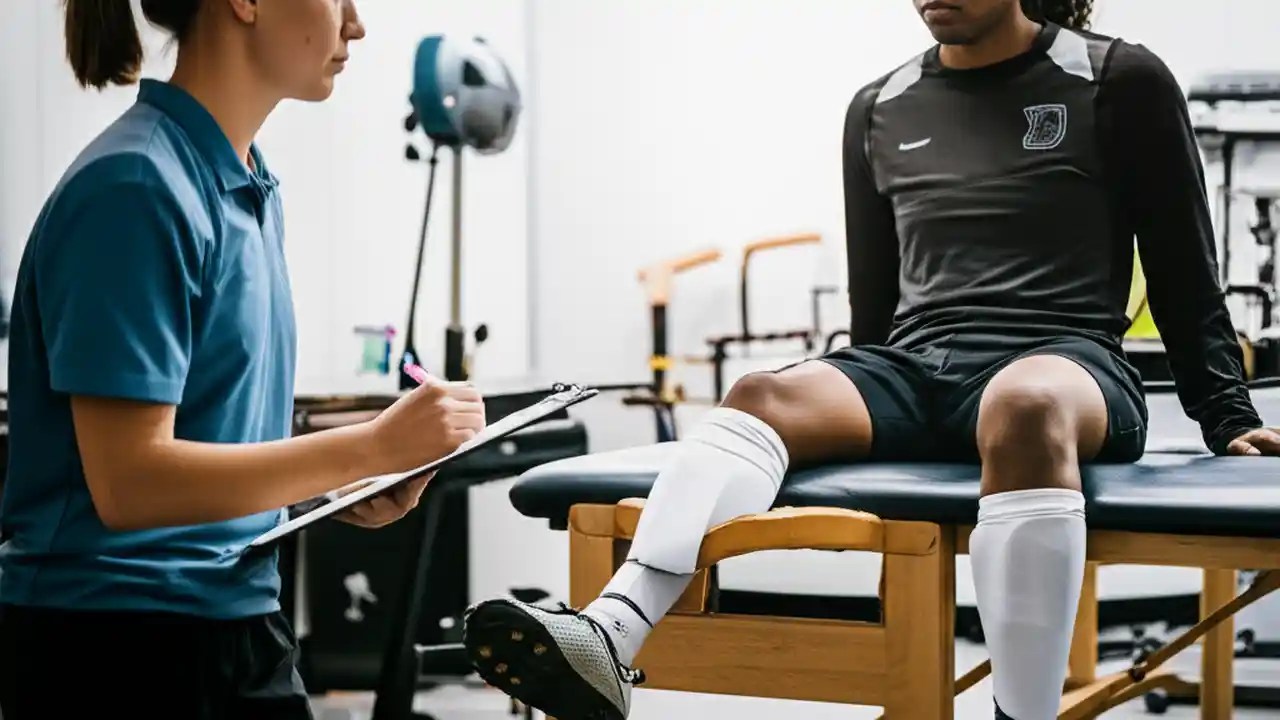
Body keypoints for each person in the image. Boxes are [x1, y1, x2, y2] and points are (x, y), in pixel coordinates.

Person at [462, 0, 1280, 718]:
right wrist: (851, 396)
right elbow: (875, 306)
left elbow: (1182, 265)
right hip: (918, 365)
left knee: (1020, 405)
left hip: (1064, 364)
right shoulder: (879, 107)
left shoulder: (1117, 78)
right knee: (759, 394)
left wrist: (1228, 415)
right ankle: (610, 631)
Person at [0, 1, 486, 718]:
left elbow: (211, 441)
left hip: (229, 621)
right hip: (118, 645)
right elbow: (130, 483)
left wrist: (328, 492)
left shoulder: (247, 183)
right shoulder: (134, 187)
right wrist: (367, 447)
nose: (355, 24)